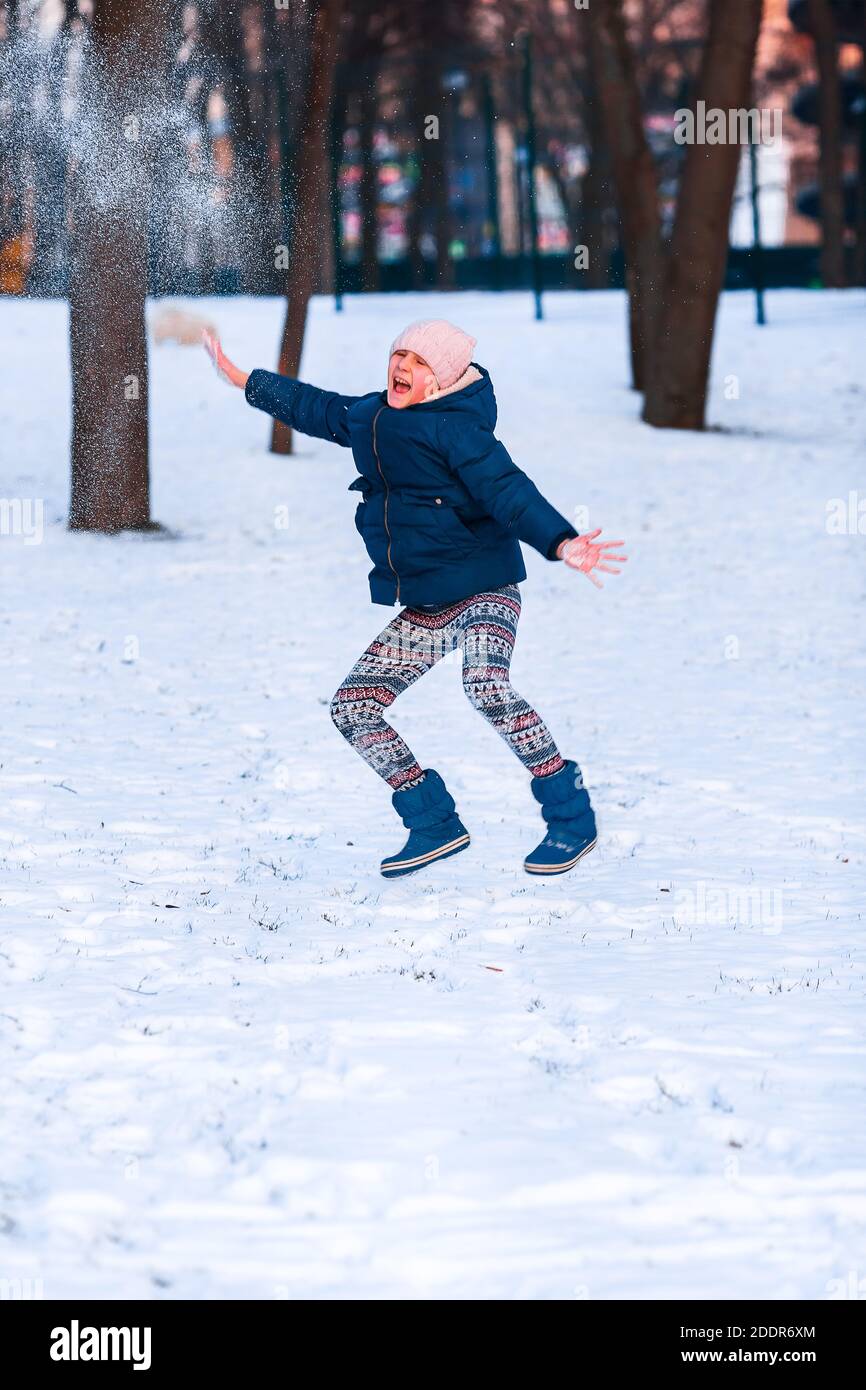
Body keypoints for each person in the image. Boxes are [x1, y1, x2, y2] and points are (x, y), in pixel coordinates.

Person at [204, 318, 627, 877]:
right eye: (399, 355)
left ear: (443, 377)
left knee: (486, 687)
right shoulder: (372, 417)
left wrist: (561, 540)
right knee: (353, 708)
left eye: (420, 362)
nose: (403, 367)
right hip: (428, 605)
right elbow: (316, 408)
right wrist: (245, 380)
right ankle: (434, 823)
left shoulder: (460, 432)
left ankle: (571, 817)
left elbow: (508, 490)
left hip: (484, 591)